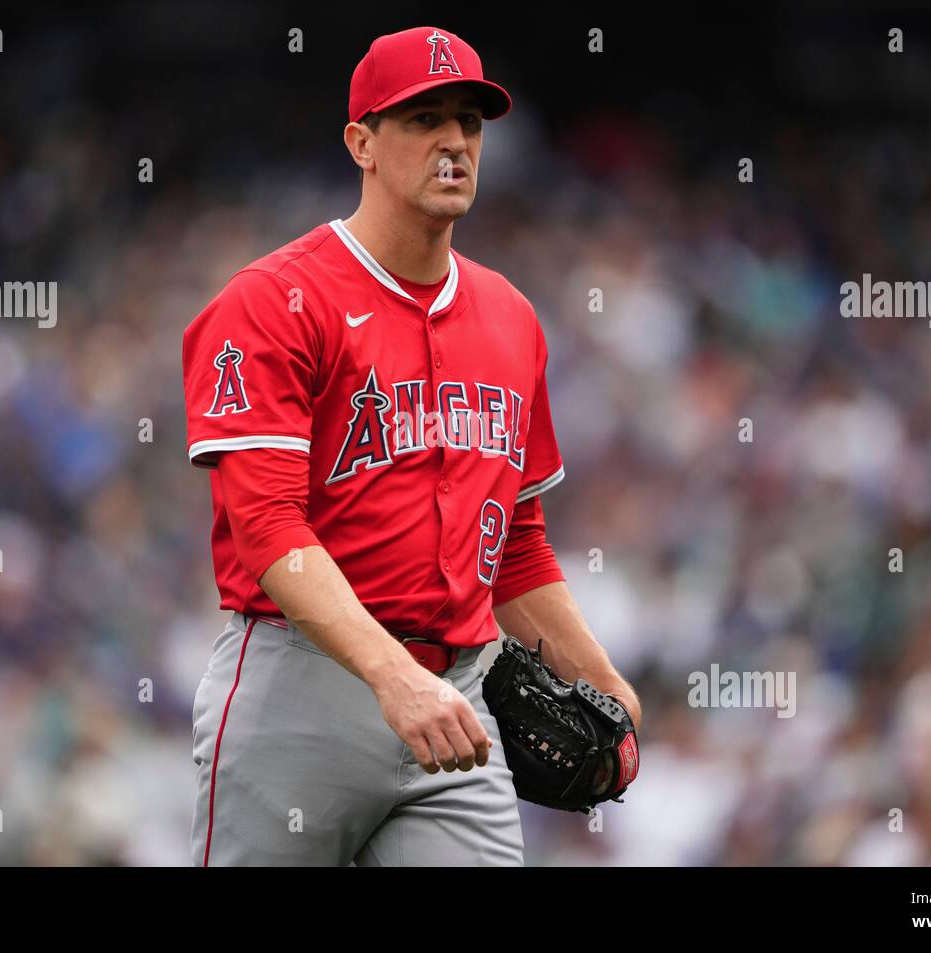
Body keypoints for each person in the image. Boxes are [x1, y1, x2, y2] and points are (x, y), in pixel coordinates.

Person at [181, 25, 641, 866]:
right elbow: (268, 528)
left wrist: (600, 679)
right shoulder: (274, 301)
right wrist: (392, 677)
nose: (454, 142)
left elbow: (516, 548)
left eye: (468, 121)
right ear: (361, 141)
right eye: (423, 118)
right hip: (301, 689)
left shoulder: (511, 318)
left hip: (461, 700)